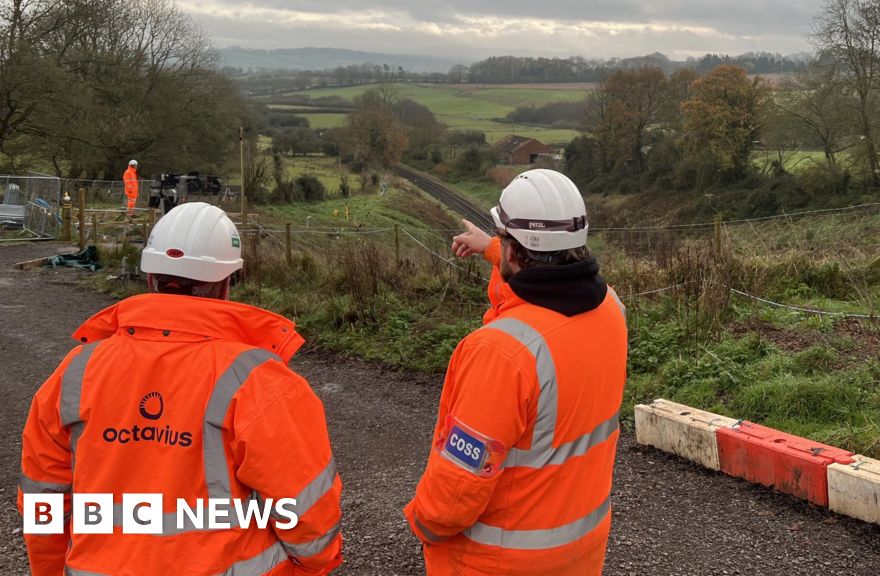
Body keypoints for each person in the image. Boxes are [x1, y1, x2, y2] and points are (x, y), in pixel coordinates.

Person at [18, 202, 343, 575]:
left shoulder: (75, 372)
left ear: (151, 278)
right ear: (225, 284)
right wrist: (315, 564)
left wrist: (50, 569)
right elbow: (309, 520)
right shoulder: (261, 382)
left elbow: (43, 501)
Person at [404, 169, 628, 575]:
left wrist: (424, 522)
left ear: (513, 252)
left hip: (498, 563)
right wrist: (493, 246)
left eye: (504, 241)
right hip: (581, 552)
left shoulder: (501, 352)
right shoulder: (611, 309)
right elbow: (548, 276)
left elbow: (458, 488)